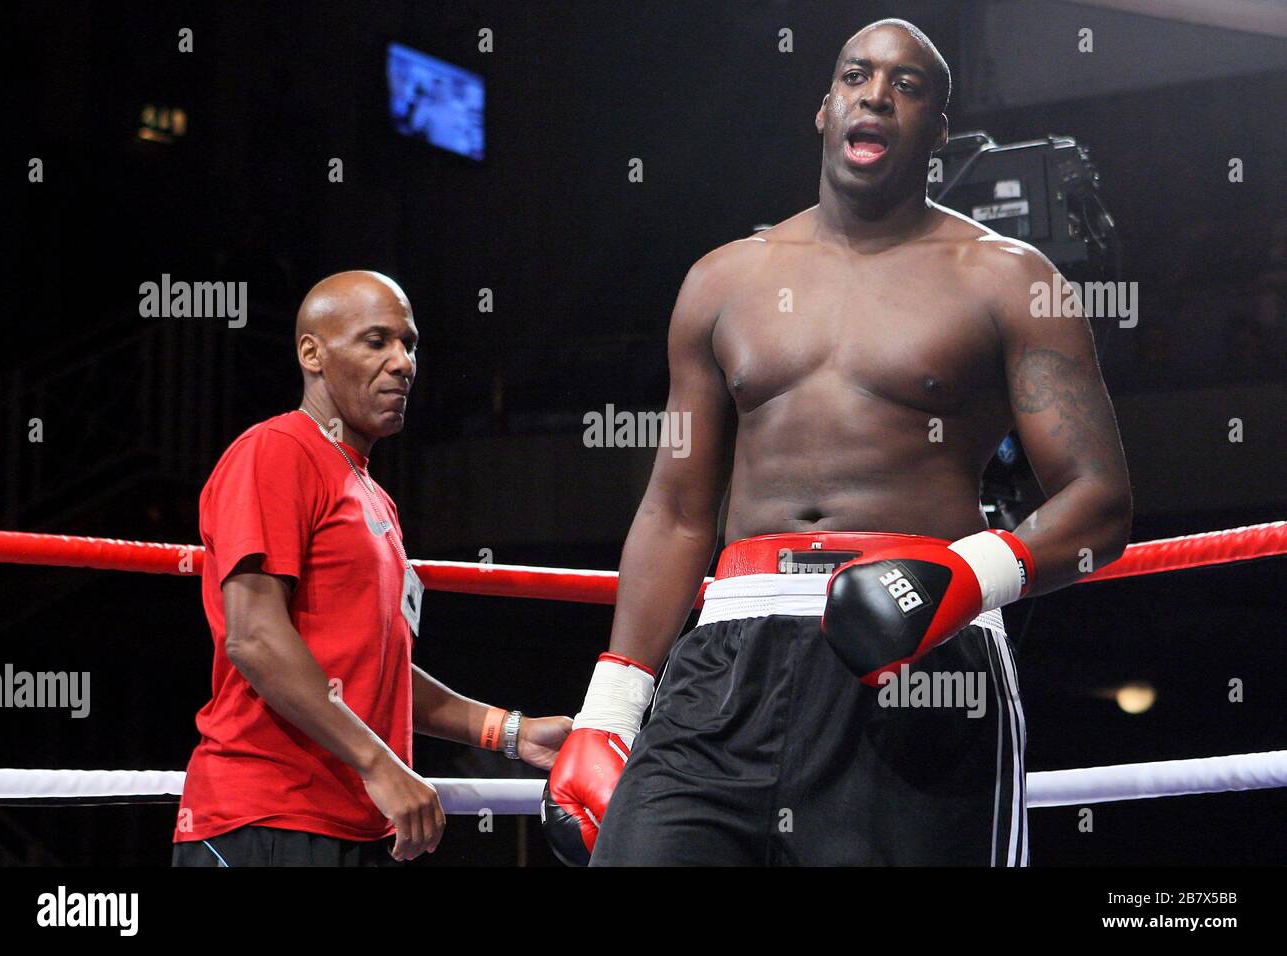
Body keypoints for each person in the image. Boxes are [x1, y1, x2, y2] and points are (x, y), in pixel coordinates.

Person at [544, 19, 1132, 866]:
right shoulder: (721, 282)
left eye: (909, 85)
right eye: (857, 76)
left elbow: (1101, 504)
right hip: (723, 663)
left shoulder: (1009, 278)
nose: (878, 95)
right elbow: (675, 512)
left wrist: (964, 577)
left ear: (936, 130)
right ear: (825, 108)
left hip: (920, 656)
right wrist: (609, 710)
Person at [174, 270, 570, 867]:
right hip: (268, 817)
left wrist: (509, 733)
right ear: (312, 352)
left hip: (358, 825)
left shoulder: (372, 496)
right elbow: (253, 636)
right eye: (376, 340)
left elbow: (376, 671)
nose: (404, 362)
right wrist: (381, 763)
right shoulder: (274, 451)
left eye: (409, 343)